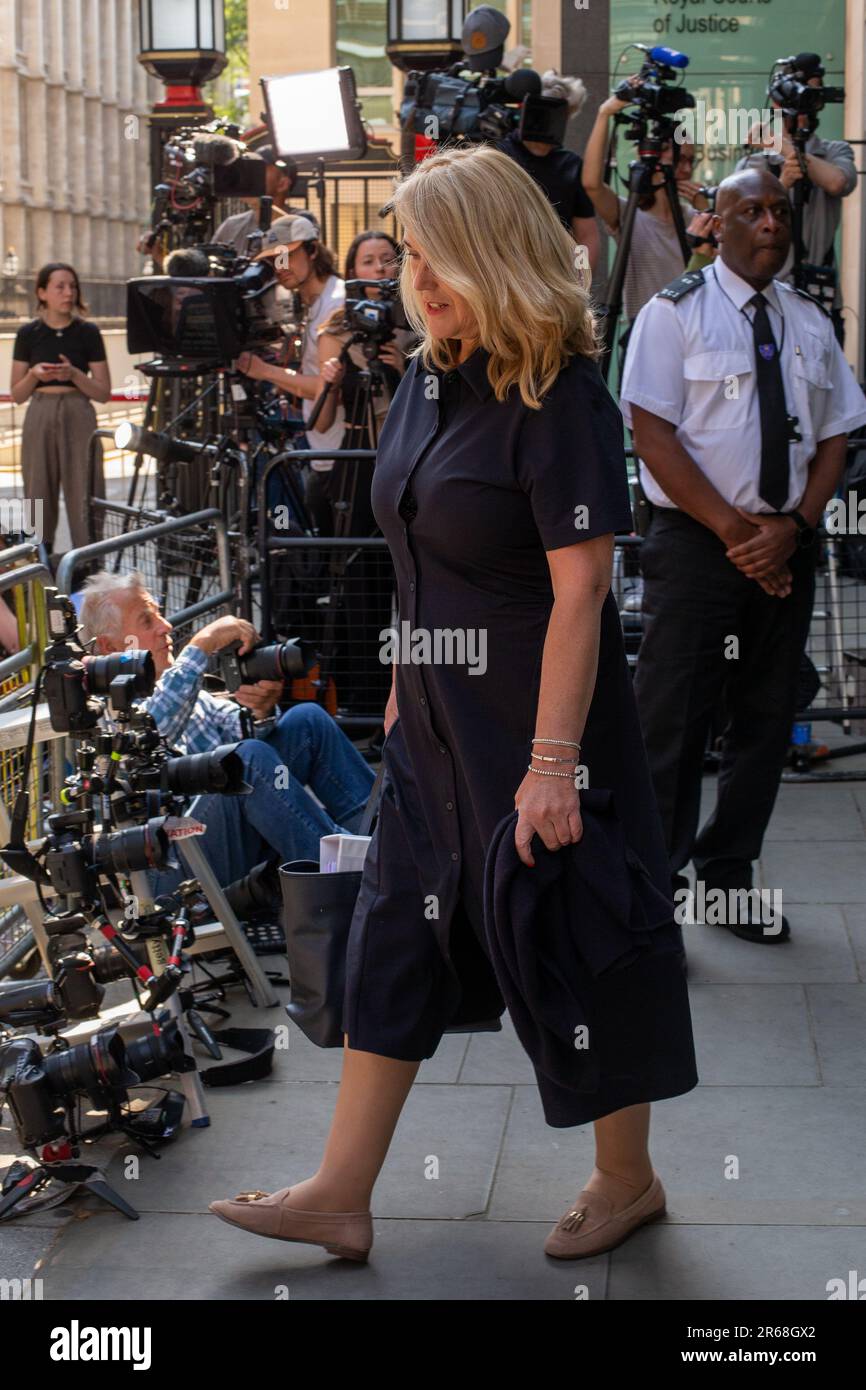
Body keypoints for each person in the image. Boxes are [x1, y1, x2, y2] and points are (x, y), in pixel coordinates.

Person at [209, 144, 697, 1265]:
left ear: (500, 256)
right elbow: (418, 548)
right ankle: (340, 1190)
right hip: (431, 723)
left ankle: (626, 1180)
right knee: (392, 932)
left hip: (536, 725)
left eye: (442, 260)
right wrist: (399, 693)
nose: (420, 285)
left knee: (572, 938)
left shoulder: (560, 394)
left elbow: (581, 592)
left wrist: (551, 761)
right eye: (412, 259)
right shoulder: (432, 377)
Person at [620, 168, 866, 942]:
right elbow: (650, 433)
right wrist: (738, 535)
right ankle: (654, 901)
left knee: (765, 720)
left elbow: (836, 435)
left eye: (779, 212)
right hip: (698, 545)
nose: (769, 223)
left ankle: (729, 884)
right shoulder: (674, 313)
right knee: (672, 726)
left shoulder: (808, 320)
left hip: (783, 542)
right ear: (713, 225)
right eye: (750, 211)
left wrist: (791, 526)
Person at [77, 571, 376, 892]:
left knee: (307, 722)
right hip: (158, 872)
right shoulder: (99, 707)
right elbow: (149, 735)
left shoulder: (175, 687)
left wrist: (260, 712)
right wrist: (201, 647)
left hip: (206, 835)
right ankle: (354, 888)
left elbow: (247, 741)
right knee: (245, 762)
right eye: (147, 621)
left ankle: (385, 848)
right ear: (109, 646)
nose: (166, 626)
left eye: (159, 613)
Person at [233, 216, 345, 514]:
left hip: (339, 454)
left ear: (312, 250)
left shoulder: (335, 303)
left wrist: (264, 371)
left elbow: (324, 386)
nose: (280, 266)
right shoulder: (315, 302)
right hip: (323, 447)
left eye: (287, 255)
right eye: (273, 260)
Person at [735, 52, 856, 319]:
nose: (807, 109)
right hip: (769, 294)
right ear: (777, 106)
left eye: (813, 98)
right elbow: (746, 223)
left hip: (820, 296)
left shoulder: (835, 151)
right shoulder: (754, 163)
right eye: (801, 99)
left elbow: (837, 183)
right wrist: (782, 184)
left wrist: (784, 146)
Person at [312, 230, 415, 534]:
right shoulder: (335, 331)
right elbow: (321, 422)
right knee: (356, 548)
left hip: (407, 452)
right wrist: (330, 383)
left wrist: (405, 367)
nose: (380, 269)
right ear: (353, 272)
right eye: (368, 261)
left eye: (388, 260)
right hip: (357, 458)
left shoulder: (420, 323)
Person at [582, 84, 706, 327]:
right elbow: (591, 184)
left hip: (694, 325)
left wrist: (706, 211)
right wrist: (604, 114)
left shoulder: (694, 217)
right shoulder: (630, 215)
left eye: (692, 161)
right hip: (645, 325)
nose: (687, 169)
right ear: (655, 158)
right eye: (680, 160)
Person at [10, 263, 111, 556]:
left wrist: (74, 375)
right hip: (39, 411)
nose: (68, 293)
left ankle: (89, 565)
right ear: (42, 292)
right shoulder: (28, 333)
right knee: (37, 490)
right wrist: (35, 375)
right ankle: (40, 565)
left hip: (79, 411)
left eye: (73, 286)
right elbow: (17, 394)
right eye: (60, 286)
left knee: (86, 489)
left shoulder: (88, 332)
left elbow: (103, 392)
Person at [497, 70, 600, 273]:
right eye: (538, 112)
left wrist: (580, 279)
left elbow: (586, 235)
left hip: (554, 279)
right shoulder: (497, 155)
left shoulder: (570, 165)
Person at [212, 147, 297, 256]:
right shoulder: (232, 225)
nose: (249, 174)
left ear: (282, 184)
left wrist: (259, 203)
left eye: (259, 169)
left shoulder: (302, 219)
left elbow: (298, 234)